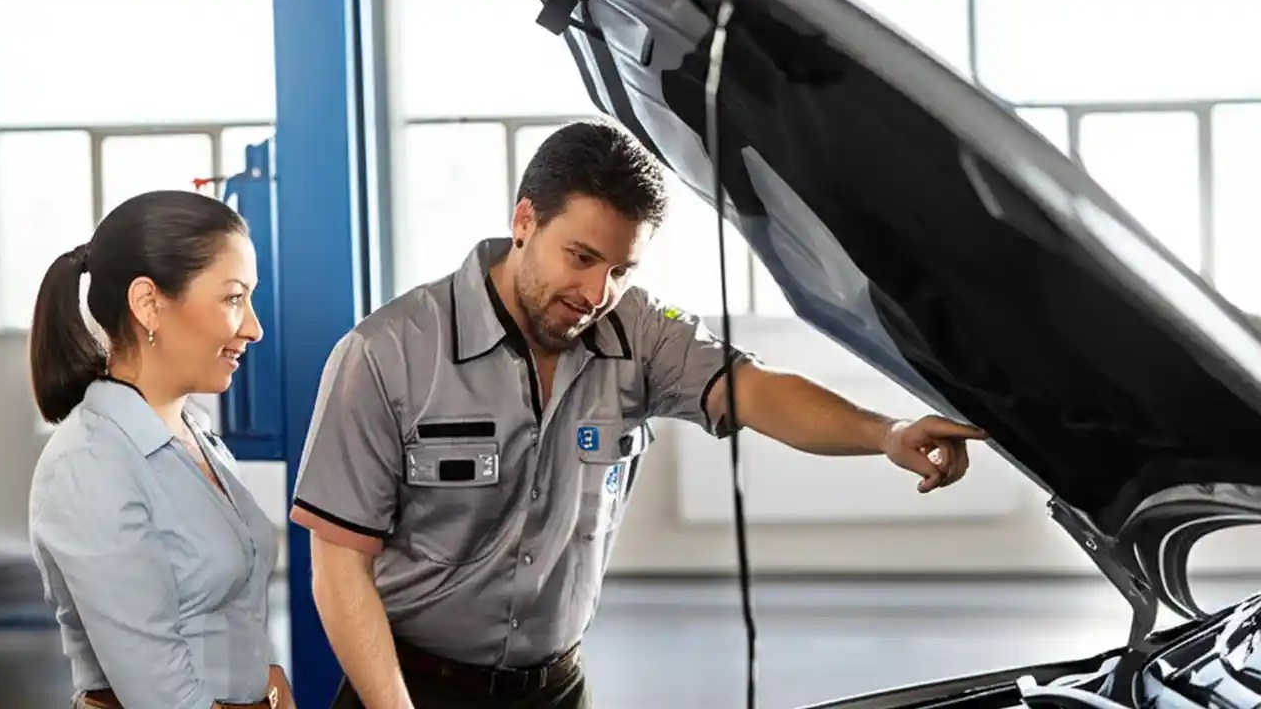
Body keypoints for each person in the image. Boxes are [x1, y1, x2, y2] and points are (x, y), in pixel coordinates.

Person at [289, 120, 988, 709]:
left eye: (622, 269)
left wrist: (885, 433)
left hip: (555, 689)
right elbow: (340, 566)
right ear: (524, 221)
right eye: (582, 257)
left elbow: (756, 389)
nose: (598, 292)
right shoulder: (387, 354)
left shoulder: (640, 331)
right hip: (411, 687)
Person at [26, 190, 296, 709]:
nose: (254, 327)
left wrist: (270, 679)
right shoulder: (91, 463)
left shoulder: (200, 441)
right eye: (233, 298)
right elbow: (159, 694)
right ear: (148, 303)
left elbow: (234, 611)